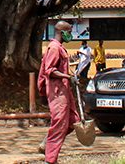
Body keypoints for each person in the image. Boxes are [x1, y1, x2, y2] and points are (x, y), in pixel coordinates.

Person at [39, 21, 81, 164]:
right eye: (69, 31)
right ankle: (50, 159)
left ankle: (47, 143)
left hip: (65, 91)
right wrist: (67, 77)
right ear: (62, 32)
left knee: (73, 122)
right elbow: (49, 70)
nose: (71, 34)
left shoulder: (60, 48)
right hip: (57, 93)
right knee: (59, 125)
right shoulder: (54, 48)